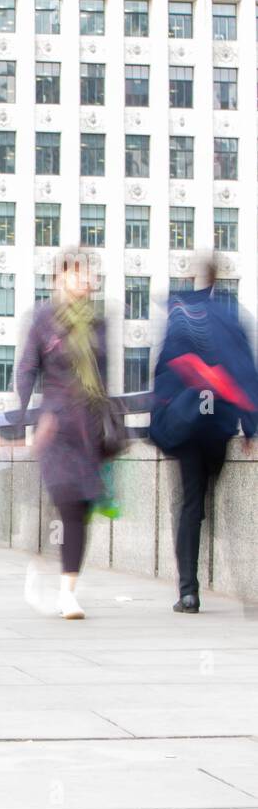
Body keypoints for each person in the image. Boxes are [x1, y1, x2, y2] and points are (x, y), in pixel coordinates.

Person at [150, 261, 258, 614]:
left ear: (196, 280)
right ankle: (242, 586)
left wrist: (160, 421)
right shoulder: (230, 317)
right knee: (211, 503)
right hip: (219, 426)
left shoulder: (182, 313)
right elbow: (245, 370)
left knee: (190, 506)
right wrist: (250, 426)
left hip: (188, 426)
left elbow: (165, 368)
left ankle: (189, 592)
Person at [16, 250, 113, 621]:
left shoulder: (99, 323)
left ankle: (67, 591)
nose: (83, 281)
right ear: (58, 279)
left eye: (87, 275)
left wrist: (108, 427)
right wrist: (23, 418)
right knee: (66, 500)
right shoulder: (43, 318)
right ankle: (43, 562)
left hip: (88, 427)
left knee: (81, 509)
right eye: (75, 274)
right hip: (54, 426)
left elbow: (104, 377)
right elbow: (27, 368)